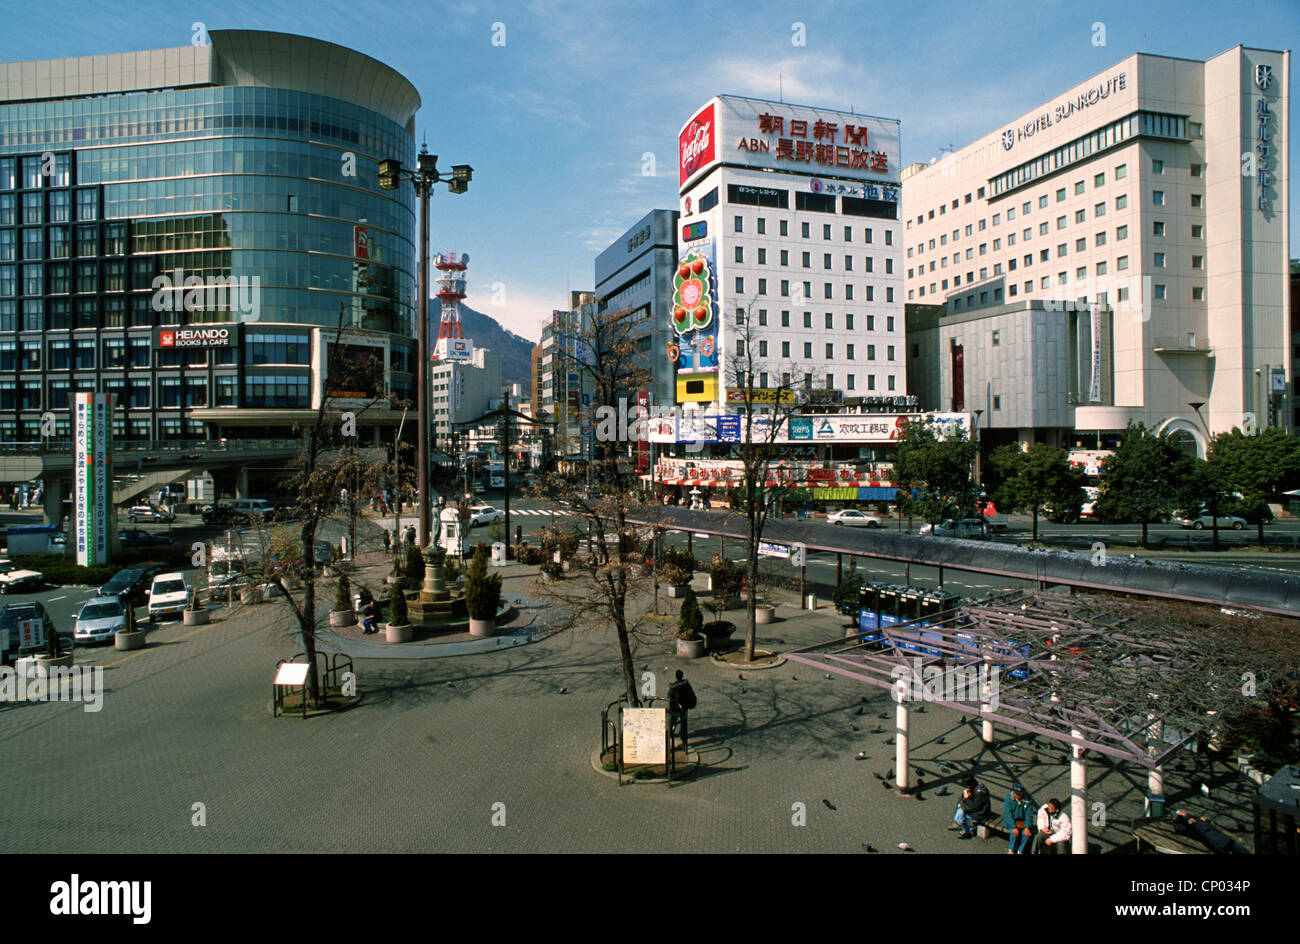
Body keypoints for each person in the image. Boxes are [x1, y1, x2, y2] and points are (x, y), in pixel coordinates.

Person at [667, 670, 697, 752]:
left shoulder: (673, 688)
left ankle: (669, 735)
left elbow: (670, 699)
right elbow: (691, 694)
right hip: (684, 707)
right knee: (683, 724)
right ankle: (683, 741)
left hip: (675, 709)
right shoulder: (686, 685)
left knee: (672, 722)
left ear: (676, 676)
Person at [1003, 783, 1035, 854]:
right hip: (1012, 822)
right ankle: (1011, 850)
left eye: (1020, 794)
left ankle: (1020, 851)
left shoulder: (1028, 801)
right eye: (1016, 793)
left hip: (1023, 823)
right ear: (1013, 792)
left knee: (1026, 834)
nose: (1018, 795)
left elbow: (1029, 816)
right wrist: (1014, 827)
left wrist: (1027, 827)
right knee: (1014, 833)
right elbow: (1008, 815)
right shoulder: (1008, 799)